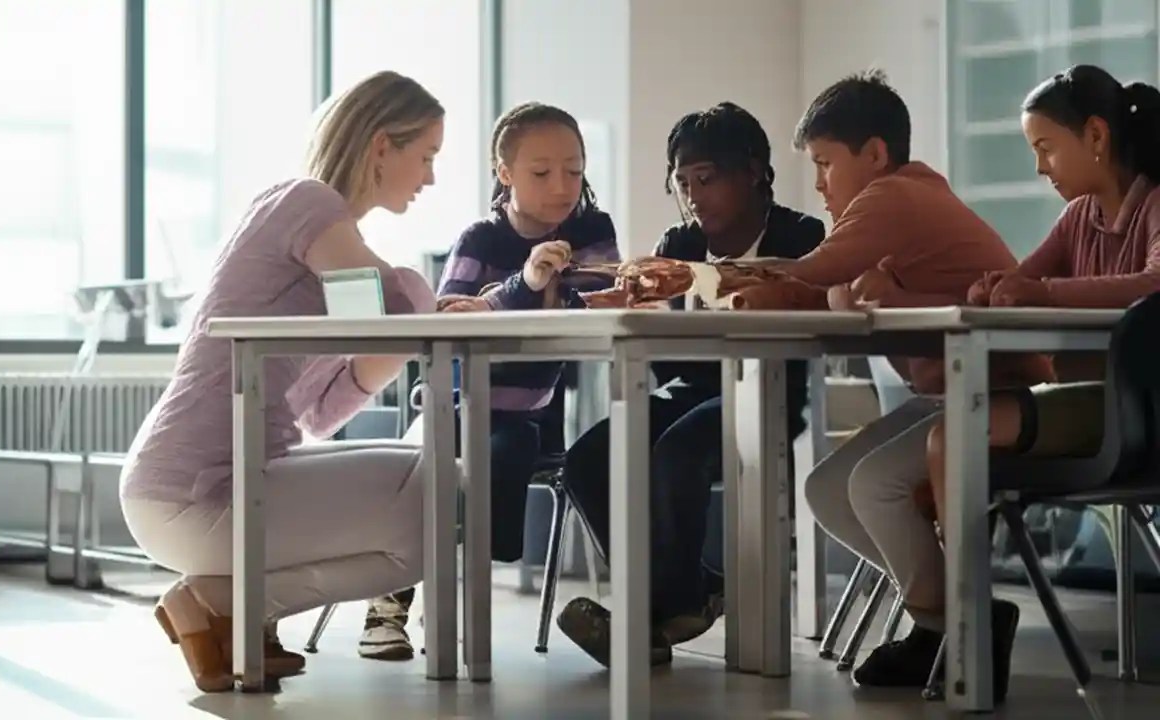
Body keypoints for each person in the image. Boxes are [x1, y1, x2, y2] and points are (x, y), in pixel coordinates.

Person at [118, 70, 445, 692]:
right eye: (425, 156)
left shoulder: (325, 240)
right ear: (382, 146)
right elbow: (390, 313)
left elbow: (324, 409)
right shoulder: (306, 203)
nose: (429, 177)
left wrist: (415, 317)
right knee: (442, 487)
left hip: (204, 488)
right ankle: (230, 607)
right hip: (200, 492)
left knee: (438, 491)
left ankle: (220, 604)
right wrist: (425, 299)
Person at [786, 70, 1054, 704]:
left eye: (825, 163)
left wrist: (713, 279)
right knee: (827, 488)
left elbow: (810, 275)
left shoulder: (892, 196)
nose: (820, 183)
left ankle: (950, 624)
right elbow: (833, 288)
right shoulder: (897, 203)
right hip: (952, 393)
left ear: (875, 154)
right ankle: (955, 617)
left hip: (1001, 394)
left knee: (870, 483)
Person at [911, 63, 1160, 681]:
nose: (1040, 167)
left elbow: (1156, 284)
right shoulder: (1079, 219)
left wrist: (1038, 290)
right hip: (1096, 403)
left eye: (1046, 148)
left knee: (954, 438)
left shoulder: (1158, 202)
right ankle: (962, 625)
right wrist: (998, 287)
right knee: (942, 446)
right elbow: (1027, 281)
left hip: (1138, 413)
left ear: (1096, 138)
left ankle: (968, 638)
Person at [554, 102, 824, 668]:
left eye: (705, 179)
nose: (693, 196)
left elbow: (795, 295)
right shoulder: (678, 242)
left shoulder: (803, 234)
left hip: (769, 393)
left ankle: (648, 615)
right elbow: (661, 350)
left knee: (677, 451)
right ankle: (682, 597)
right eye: (682, 183)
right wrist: (630, 304)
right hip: (688, 392)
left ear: (753, 173)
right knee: (588, 457)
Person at [355, 102, 620, 661]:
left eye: (575, 170)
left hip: (531, 417)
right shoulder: (480, 240)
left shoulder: (592, 230)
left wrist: (537, 295)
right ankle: (390, 603)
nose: (563, 185)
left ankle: (469, 565)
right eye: (542, 172)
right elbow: (450, 316)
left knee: (507, 447)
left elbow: (600, 306)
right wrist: (526, 285)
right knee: (426, 464)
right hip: (453, 405)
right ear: (506, 175)